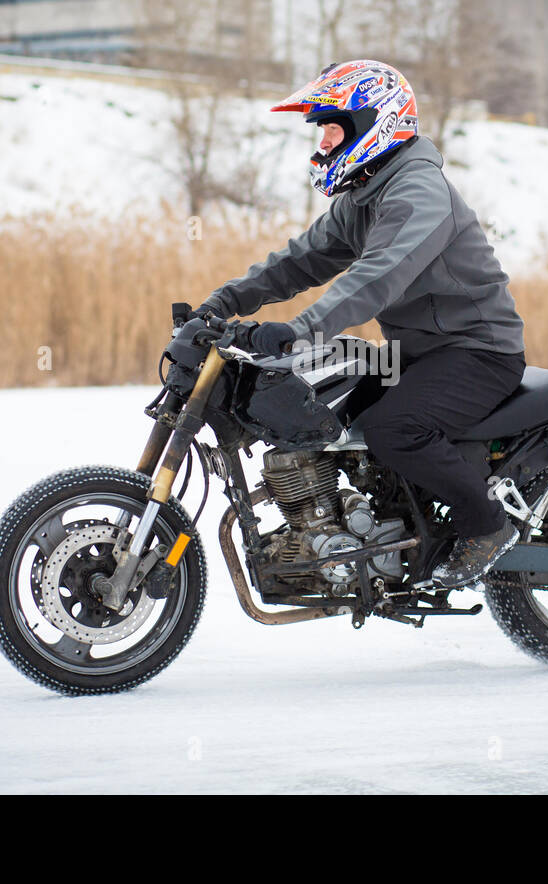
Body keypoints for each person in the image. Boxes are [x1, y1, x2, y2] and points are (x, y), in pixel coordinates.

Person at [194, 59, 526, 590]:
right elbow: (300, 260)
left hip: (477, 351)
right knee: (319, 391)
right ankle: (371, 526)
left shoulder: (417, 192)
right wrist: (224, 301)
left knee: (395, 428)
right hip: (417, 353)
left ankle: (486, 527)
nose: (323, 142)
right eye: (322, 129)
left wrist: (299, 328)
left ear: (377, 122)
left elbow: (376, 279)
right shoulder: (365, 195)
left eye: (332, 128)